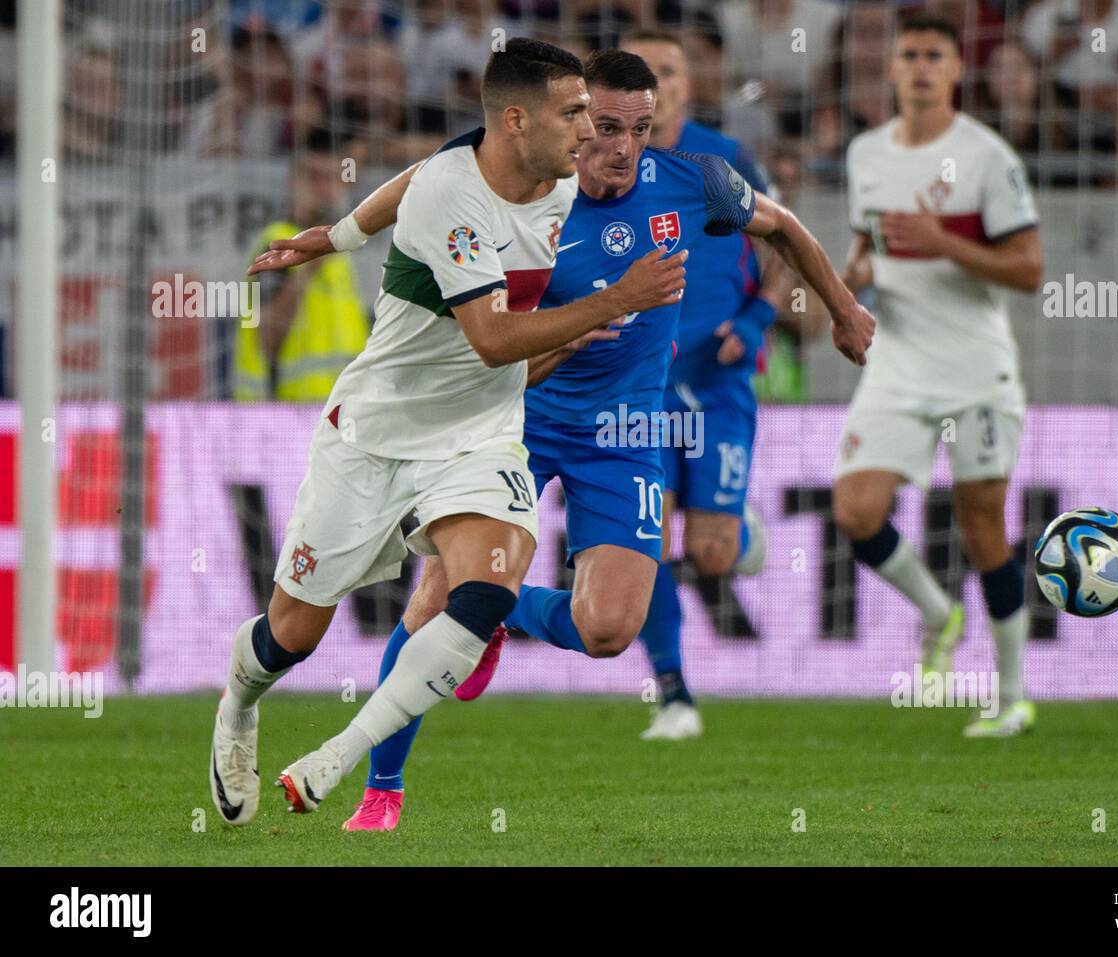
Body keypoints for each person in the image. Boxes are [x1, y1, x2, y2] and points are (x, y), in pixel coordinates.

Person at [256, 47, 874, 830]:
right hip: (516, 416)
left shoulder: (693, 181)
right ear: (576, 120)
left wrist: (844, 308)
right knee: (436, 599)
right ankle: (383, 790)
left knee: (608, 629)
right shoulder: (523, 186)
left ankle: (502, 613)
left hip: (625, 433)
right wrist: (336, 237)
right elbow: (420, 182)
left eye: (639, 129)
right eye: (605, 125)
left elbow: (781, 226)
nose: (621, 146)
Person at [209, 38, 688, 825]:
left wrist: (336, 235)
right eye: (573, 115)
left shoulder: (557, 181)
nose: (590, 133)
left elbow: (398, 183)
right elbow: (493, 338)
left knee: (487, 584)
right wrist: (611, 301)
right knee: (290, 635)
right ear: (515, 120)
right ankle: (237, 702)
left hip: (481, 435)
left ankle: (342, 757)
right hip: (376, 436)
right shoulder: (453, 198)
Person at [833, 15, 1044, 738]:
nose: (920, 67)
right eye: (909, 56)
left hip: (975, 369)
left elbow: (1029, 268)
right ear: (891, 70)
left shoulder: (985, 156)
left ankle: (1011, 693)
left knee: (983, 522)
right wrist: (854, 276)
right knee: (856, 511)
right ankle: (935, 612)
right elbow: (866, 246)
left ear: (957, 70)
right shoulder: (866, 153)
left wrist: (945, 242)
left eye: (934, 56)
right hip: (897, 360)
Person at [618, 29, 778, 740]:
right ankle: (675, 693)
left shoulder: (723, 161)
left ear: (688, 83)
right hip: (641, 382)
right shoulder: (602, 165)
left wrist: (759, 316)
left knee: (712, 552)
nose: (655, 80)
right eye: (639, 70)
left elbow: (786, 244)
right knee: (646, 537)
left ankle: (738, 528)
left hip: (718, 379)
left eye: (668, 70)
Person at [234, 128, 370, 402]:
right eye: (315, 178)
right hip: (285, 413)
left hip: (337, 412)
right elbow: (266, 339)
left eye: (334, 179)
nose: (326, 189)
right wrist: (308, 271)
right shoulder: (276, 243)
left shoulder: (338, 253)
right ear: (293, 181)